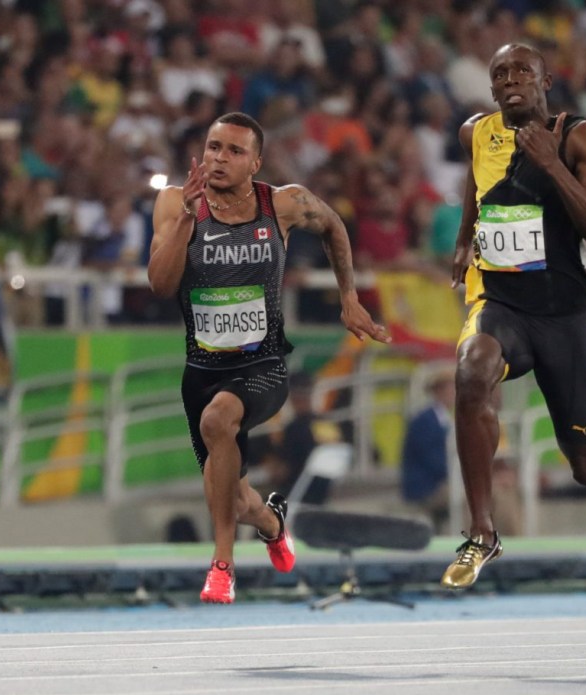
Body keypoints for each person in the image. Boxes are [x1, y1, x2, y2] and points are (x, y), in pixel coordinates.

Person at [443, 43, 586, 608]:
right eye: (499, 73)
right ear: (491, 89)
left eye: (522, 70)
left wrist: (550, 164)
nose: (510, 79)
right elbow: (477, 181)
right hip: (501, 304)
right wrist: (465, 237)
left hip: (563, 317)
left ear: (546, 80)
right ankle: (482, 532)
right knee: (471, 371)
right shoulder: (476, 133)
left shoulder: (584, 139)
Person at [147, 111, 390, 604]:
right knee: (237, 501)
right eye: (213, 147)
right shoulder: (175, 202)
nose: (219, 158)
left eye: (234, 151)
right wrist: (187, 221)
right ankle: (272, 523)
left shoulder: (281, 204)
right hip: (202, 374)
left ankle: (222, 565)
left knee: (218, 420)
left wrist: (348, 297)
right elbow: (160, 284)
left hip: (263, 368)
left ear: (255, 163)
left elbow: (334, 226)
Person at [256, 369, 341, 506]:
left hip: (297, 496)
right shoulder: (327, 424)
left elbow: (282, 472)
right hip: (324, 495)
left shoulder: (294, 428)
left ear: (292, 397)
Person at [400, 369, 457, 531]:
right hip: (426, 487)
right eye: (451, 388)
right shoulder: (424, 420)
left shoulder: (446, 419)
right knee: (471, 496)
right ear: (438, 391)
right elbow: (433, 460)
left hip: (442, 481)